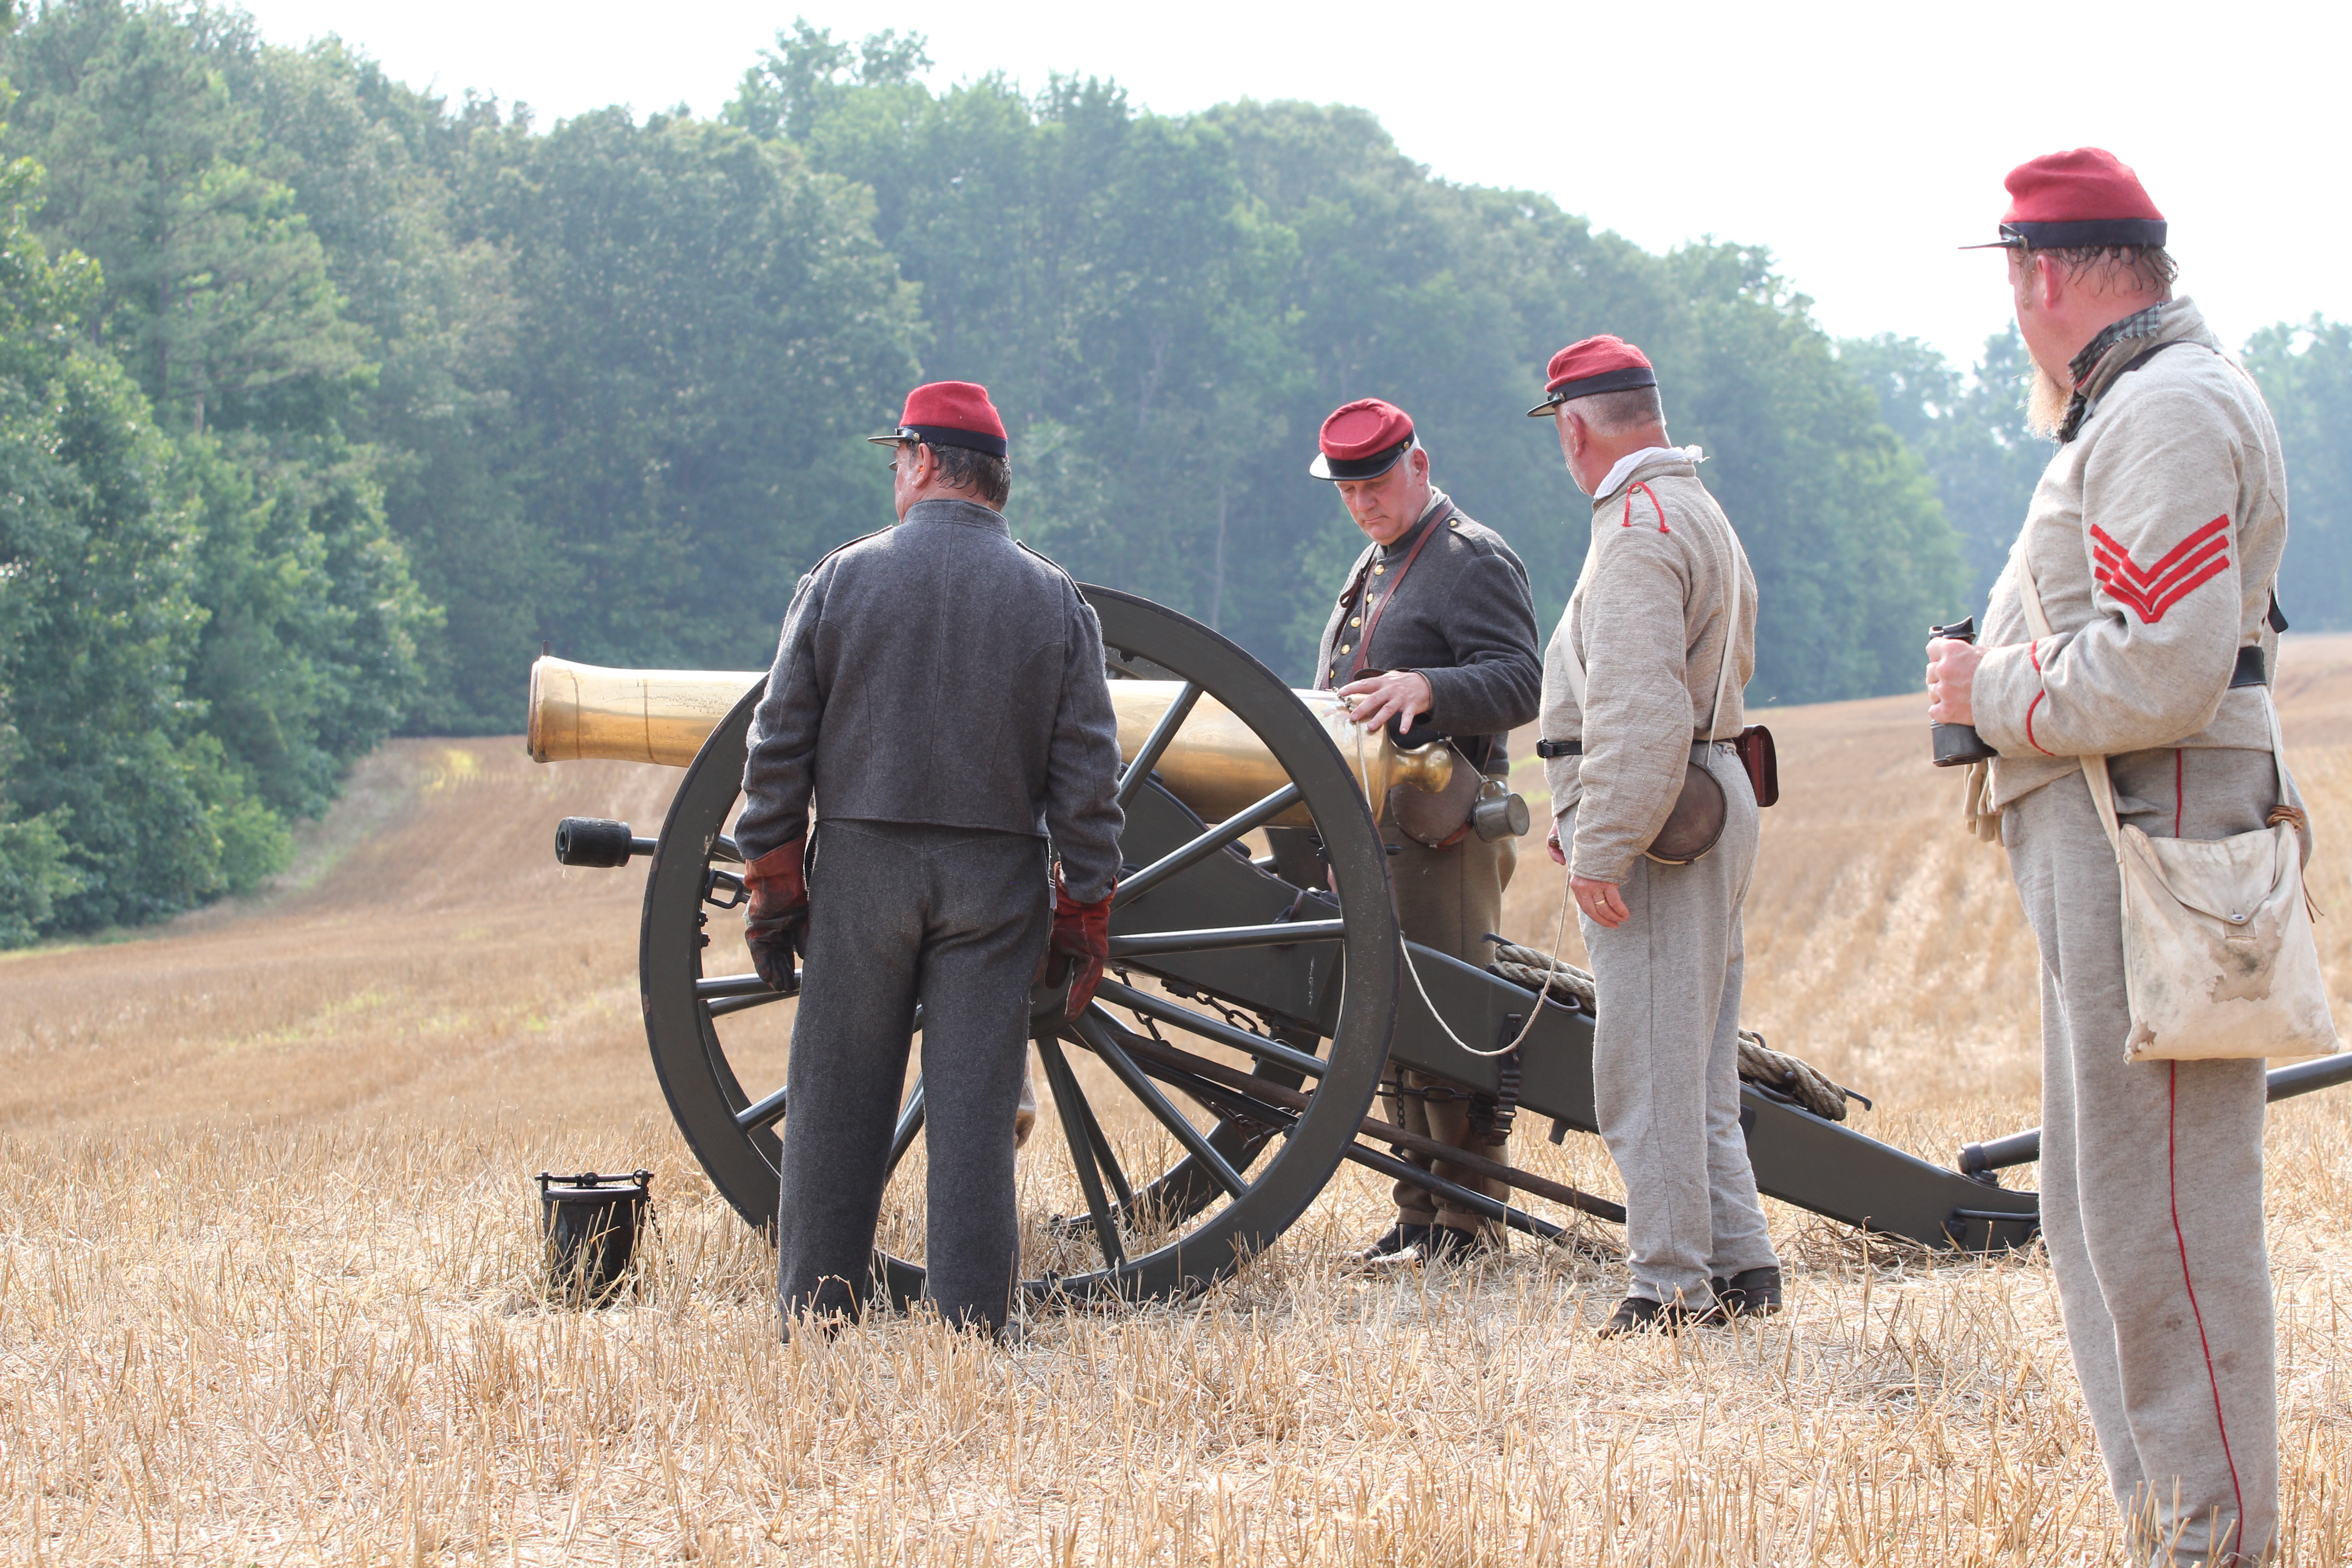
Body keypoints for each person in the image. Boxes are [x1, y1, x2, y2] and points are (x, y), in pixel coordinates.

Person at [1926, 149, 2294, 1567]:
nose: (2015, 311)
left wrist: (1990, 690)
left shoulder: (2165, 410)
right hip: (2114, 828)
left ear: (2049, 273)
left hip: (2153, 822)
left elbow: (2166, 667)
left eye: (2016, 280)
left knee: (2165, 1215)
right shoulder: (2137, 407)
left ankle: (2217, 1538)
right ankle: (2175, 1527)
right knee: (2098, 1207)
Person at [733, 380, 1124, 1342]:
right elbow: (1087, 776)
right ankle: (974, 1327)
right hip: (995, 878)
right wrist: (1084, 908)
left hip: (864, 866)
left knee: (834, 1100)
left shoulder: (841, 579)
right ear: (995, 479)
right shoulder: (1054, 599)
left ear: (917, 461)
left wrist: (774, 888)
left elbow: (776, 749)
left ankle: (817, 1312)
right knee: (975, 1111)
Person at [1530, 336, 1780, 1337]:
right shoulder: (1692, 505)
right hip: (1712, 791)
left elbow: (1638, 709)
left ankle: (1670, 1287)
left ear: (1576, 429)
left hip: (1665, 810)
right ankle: (1743, 1259)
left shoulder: (1634, 527)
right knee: (1701, 1058)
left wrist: (1600, 842)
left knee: (1646, 1064)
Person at [1300, 397, 1542, 1266]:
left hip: (1448, 827)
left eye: (1375, 482)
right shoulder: (1374, 564)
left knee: (1448, 1020)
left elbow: (1522, 680)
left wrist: (1429, 687)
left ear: (1421, 465)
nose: (1363, 501)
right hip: (1377, 827)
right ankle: (1419, 1210)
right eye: (1348, 489)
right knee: (1393, 1026)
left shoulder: (1470, 558)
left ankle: (1470, 1223)